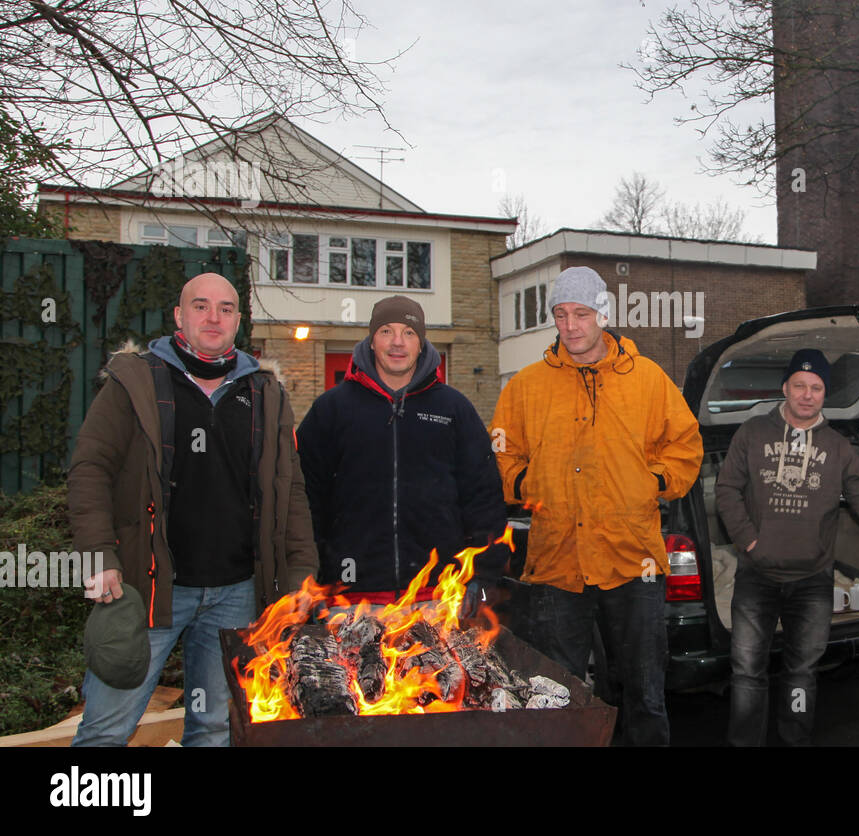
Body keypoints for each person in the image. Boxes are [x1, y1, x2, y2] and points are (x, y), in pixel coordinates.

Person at [68, 272, 318, 746]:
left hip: (237, 593)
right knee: (106, 729)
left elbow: (292, 491)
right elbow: (89, 470)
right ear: (180, 316)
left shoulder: (264, 393)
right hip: (150, 589)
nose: (213, 317)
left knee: (215, 728)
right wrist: (98, 557)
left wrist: (301, 571)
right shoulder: (135, 382)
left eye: (225, 308)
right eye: (200, 306)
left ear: (238, 321)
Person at [490, 266, 703, 745]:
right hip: (557, 564)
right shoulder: (527, 386)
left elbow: (686, 445)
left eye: (581, 314)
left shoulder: (646, 379)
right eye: (561, 315)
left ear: (602, 315)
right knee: (558, 694)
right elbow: (501, 452)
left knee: (643, 691)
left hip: (633, 562)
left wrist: (653, 481)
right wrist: (525, 481)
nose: (570, 326)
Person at [716, 348, 859, 746]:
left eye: (816, 388)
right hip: (757, 575)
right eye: (800, 385)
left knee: (801, 674)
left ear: (824, 394)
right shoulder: (753, 433)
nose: (807, 395)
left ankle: (795, 741)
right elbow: (727, 490)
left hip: (812, 580)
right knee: (746, 671)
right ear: (785, 388)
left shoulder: (838, 447)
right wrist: (749, 540)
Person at [296, 296, 507, 604]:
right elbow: (305, 499)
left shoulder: (452, 408)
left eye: (408, 333)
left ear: (421, 343)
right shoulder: (332, 409)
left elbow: (483, 496)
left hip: (436, 596)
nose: (398, 342)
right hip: (350, 596)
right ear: (371, 341)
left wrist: (482, 574)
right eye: (386, 331)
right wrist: (308, 576)